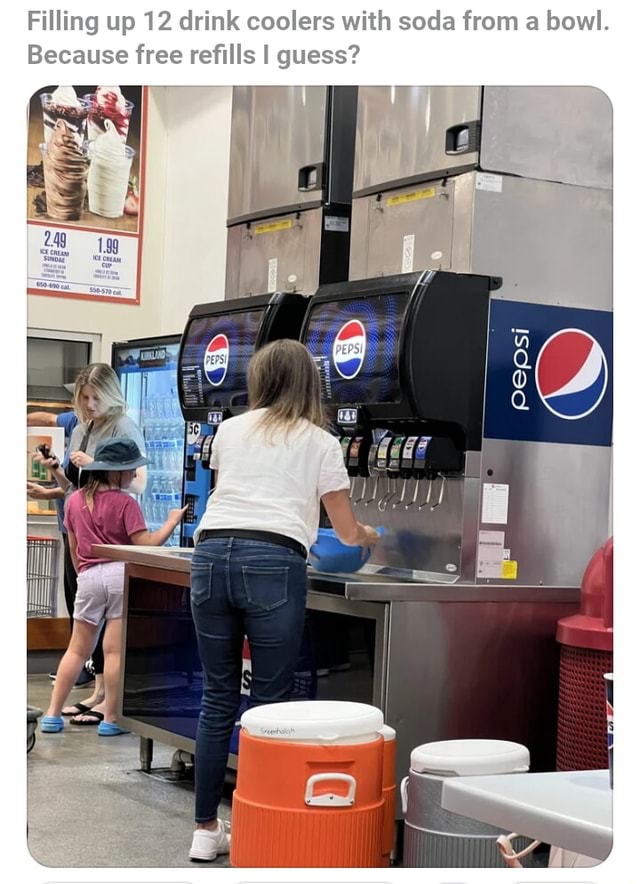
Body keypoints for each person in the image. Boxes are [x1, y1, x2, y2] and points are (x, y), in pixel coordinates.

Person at [188, 339, 380, 863]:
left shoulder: (230, 430)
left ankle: (205, 830)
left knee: (217, 697)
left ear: (259, 380)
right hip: (273, 563)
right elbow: (344, 530)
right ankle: (259, 825)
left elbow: (233, 495)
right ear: (309, 383)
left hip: (210, 556)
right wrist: (368, 536)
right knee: (269, 703)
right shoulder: (320, 441)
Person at [39, 437, 186, 736]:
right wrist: (171, 522)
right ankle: (110, 720)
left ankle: (52, 715)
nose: (134, 474)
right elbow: (145, 545)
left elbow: (73, 546)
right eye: (131, 469)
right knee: (115, 652)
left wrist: (83, 574)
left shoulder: (75, 500)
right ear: (114, 472)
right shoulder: (126, 503)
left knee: (77, 650)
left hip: (88, 576)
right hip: (121, 576)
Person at [33, 363, 148, 724]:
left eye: (96, 397)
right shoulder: (84, 427)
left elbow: (137, 482)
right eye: (84, 398)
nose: (90, 404)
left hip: (110, 546)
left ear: (111, 394)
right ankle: (98, 693)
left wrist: (94, 462)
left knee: (106, 631)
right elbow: (78, 489)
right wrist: (55, 470)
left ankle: (105, 701)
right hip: (80, 535)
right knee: (84, 622)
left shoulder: (123, 427)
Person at [27, 393, 94, 686]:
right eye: (83, 398)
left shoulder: (102, 433)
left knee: (83, 598)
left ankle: (86, 663)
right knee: (73, 597)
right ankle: (77, 662)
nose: (88, 404)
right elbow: (45, 418)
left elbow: (82, 487)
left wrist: (48, 492)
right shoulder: (74, 422)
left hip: (84, 529)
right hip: (68, 525)